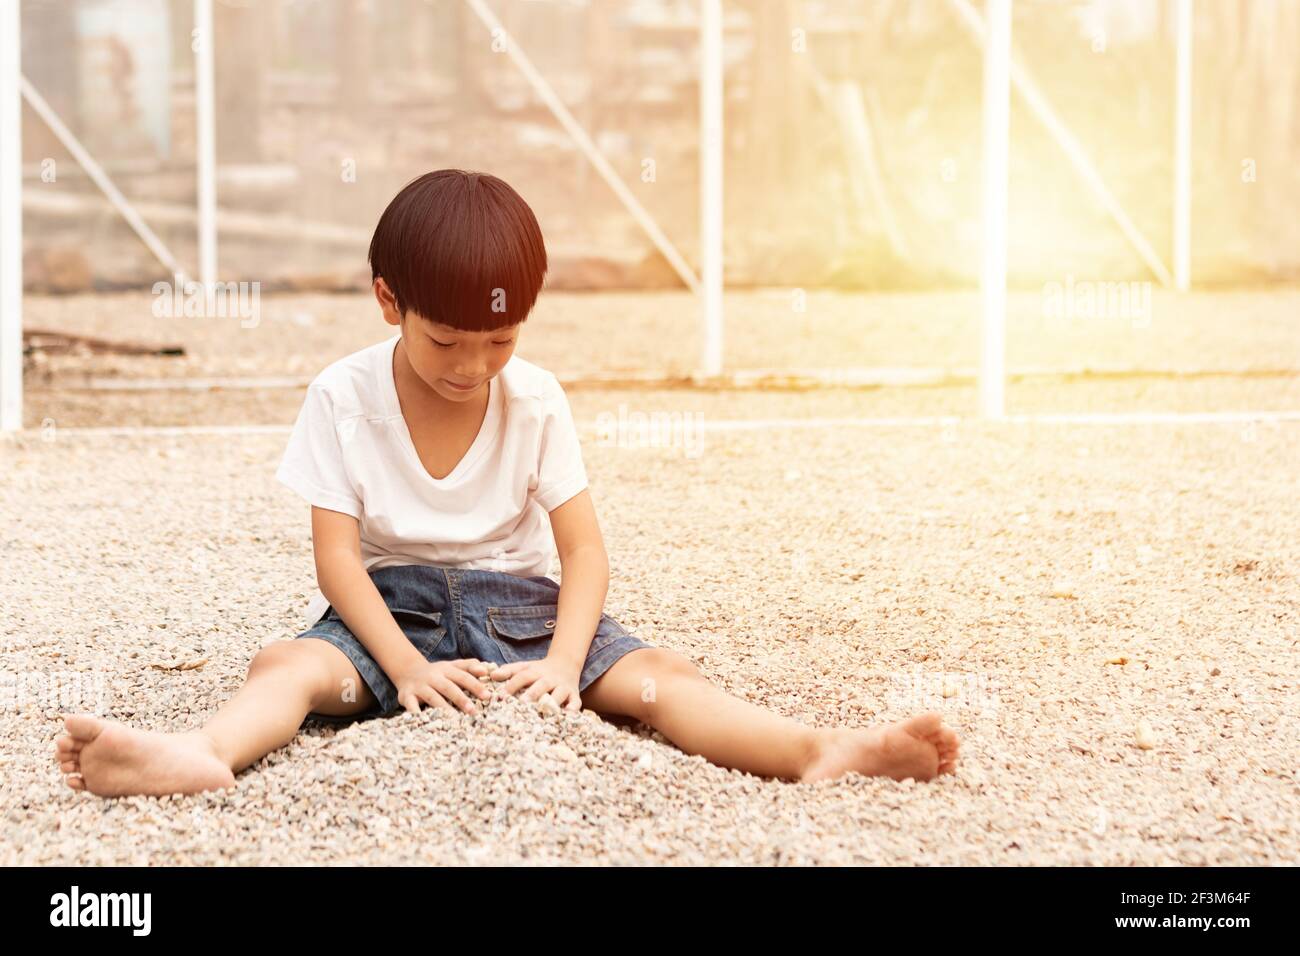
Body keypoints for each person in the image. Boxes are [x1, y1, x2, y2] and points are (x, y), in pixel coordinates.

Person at [56, 169, 959, 797]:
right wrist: (403, 668)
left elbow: (584, 551)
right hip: (392, 614)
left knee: (660, 680)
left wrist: (567, 665)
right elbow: (337, 562)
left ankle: (820, 752)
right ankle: (200, 752)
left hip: (525, 614)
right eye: (447, 340)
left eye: (502, 340)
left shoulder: (535, 400)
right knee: (286, 667)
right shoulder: (342, 394)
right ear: (388, 301)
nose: (473, 365)